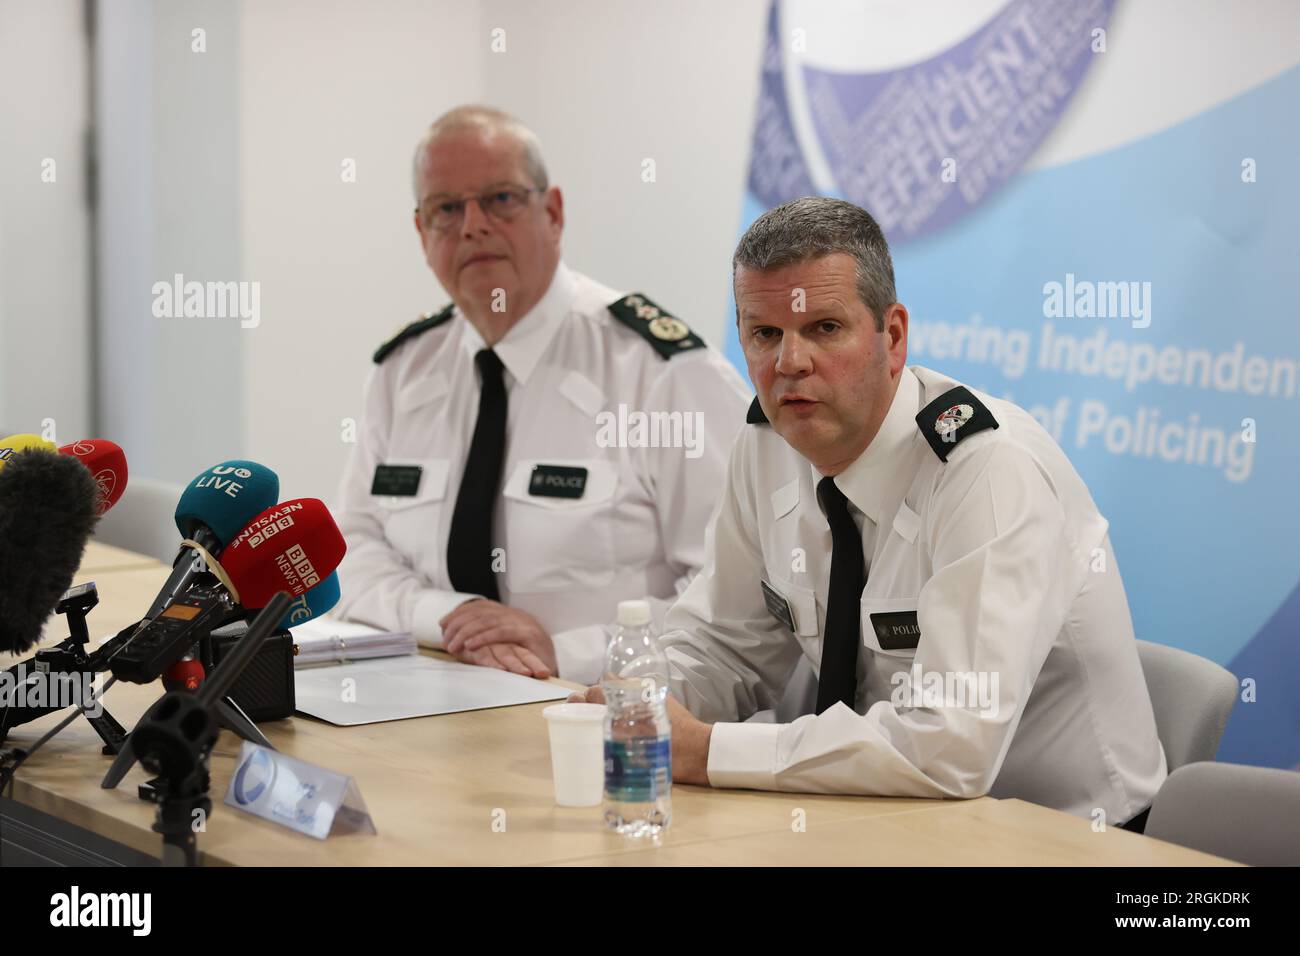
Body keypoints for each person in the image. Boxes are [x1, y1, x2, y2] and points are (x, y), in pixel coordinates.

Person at [571, 197, 1167, 828]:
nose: (789, 363)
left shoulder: (987, 470)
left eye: (824, 328)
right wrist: (642, 703)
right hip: (877, 817)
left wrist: (711, 750)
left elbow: (951, 744)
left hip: (1066, 837)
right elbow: (727, 643)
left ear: (894, 337)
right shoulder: (769, 444)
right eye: (764, 334)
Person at [332, 106, 750, 686]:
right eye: (446, 209)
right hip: (430, 697)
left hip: (608, 712)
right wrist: (448, 616)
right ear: (421, 233)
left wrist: (566, 651)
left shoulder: (658, 373)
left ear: (552, 212)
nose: (472, 225)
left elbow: (739, 598)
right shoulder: (401, 371)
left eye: (500, 199)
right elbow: (351, 549)